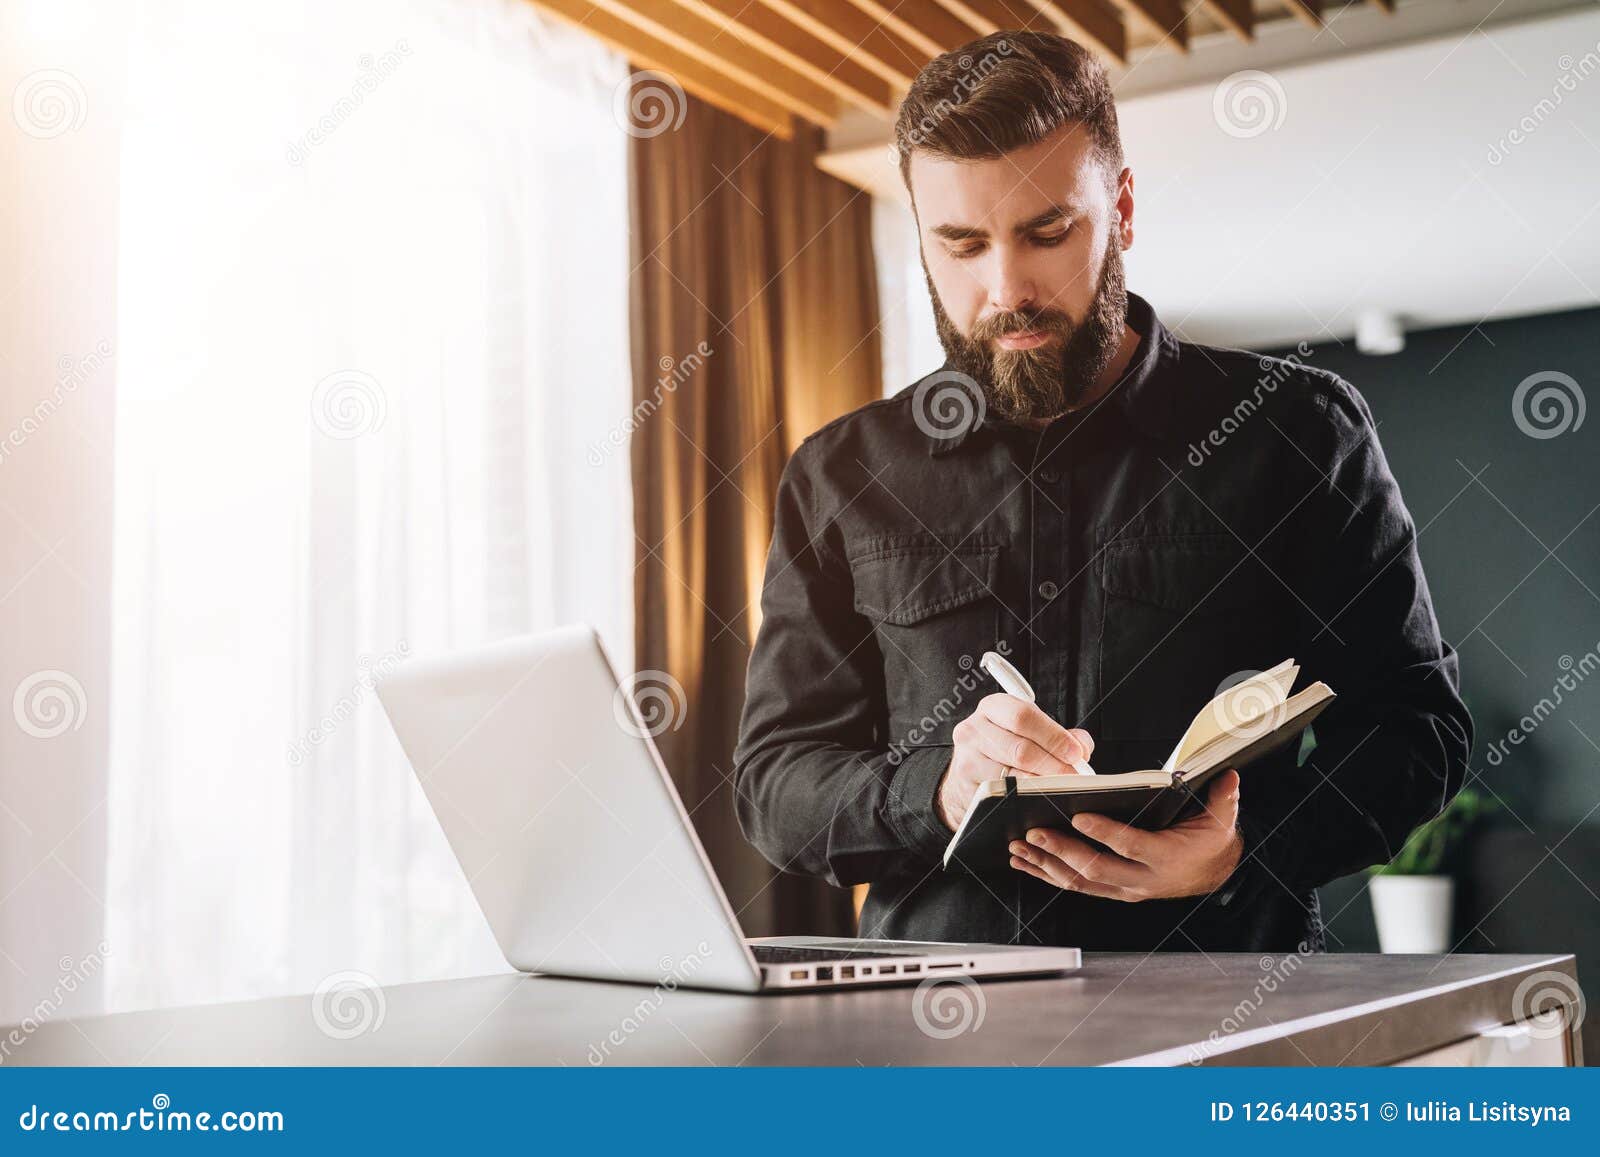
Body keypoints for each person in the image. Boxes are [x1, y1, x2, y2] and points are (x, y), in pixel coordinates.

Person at [732, 31, 1472, 952]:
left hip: (1228, 1024)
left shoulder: (1300, 435)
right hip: (940, 1043)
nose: (1006, 289)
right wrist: (937, 789)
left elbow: (1418, 728)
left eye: (1048, 233)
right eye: (960, 244)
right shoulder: (840, 473)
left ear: (1120, 207)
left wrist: (1250, 842)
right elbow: (773, 782)